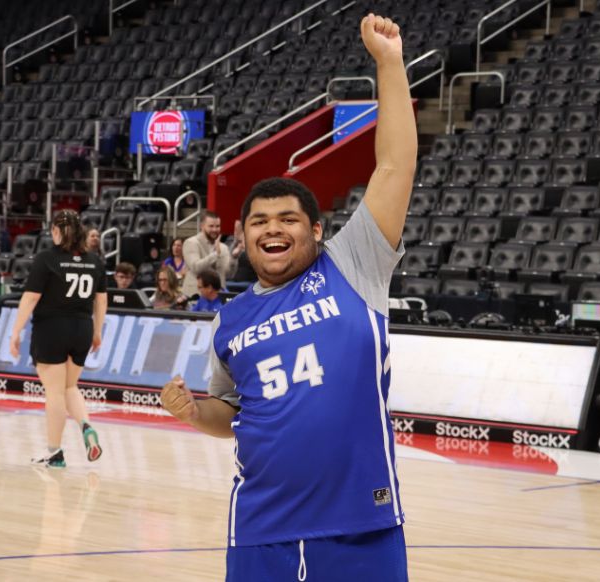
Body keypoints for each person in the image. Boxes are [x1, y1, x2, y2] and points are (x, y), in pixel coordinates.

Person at [160, 14, 415, 582]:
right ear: (243, 236)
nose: (271, 229)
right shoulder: (231, 317)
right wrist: (192, 411)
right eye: (258, 221)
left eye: (287, 219)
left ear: (317, 230)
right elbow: (230, 414)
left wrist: (389, 64)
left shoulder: (355, 265)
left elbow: (395, 166)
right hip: (260, 525)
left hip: (360, 520)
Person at [9, 210, 107, 468]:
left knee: (54, 392)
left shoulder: (46, 258)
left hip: (51, 328)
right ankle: (86, 425)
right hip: (82, 329)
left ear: (56, 231)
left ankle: (54, 452)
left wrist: (16, 331)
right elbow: (101, 298)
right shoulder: (94, 261)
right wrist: (97, 331)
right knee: (69, 386)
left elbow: (30, 297)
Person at [181, 211, 243, 297]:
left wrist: (234, 257)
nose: (215, 229)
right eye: (211, 226)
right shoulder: (191, 243)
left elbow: (229, 274)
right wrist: (215, 254)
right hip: (194, 297)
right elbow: (196, 268)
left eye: (217, 226)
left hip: (217, 298)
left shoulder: (223, 247)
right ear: (202, 226)